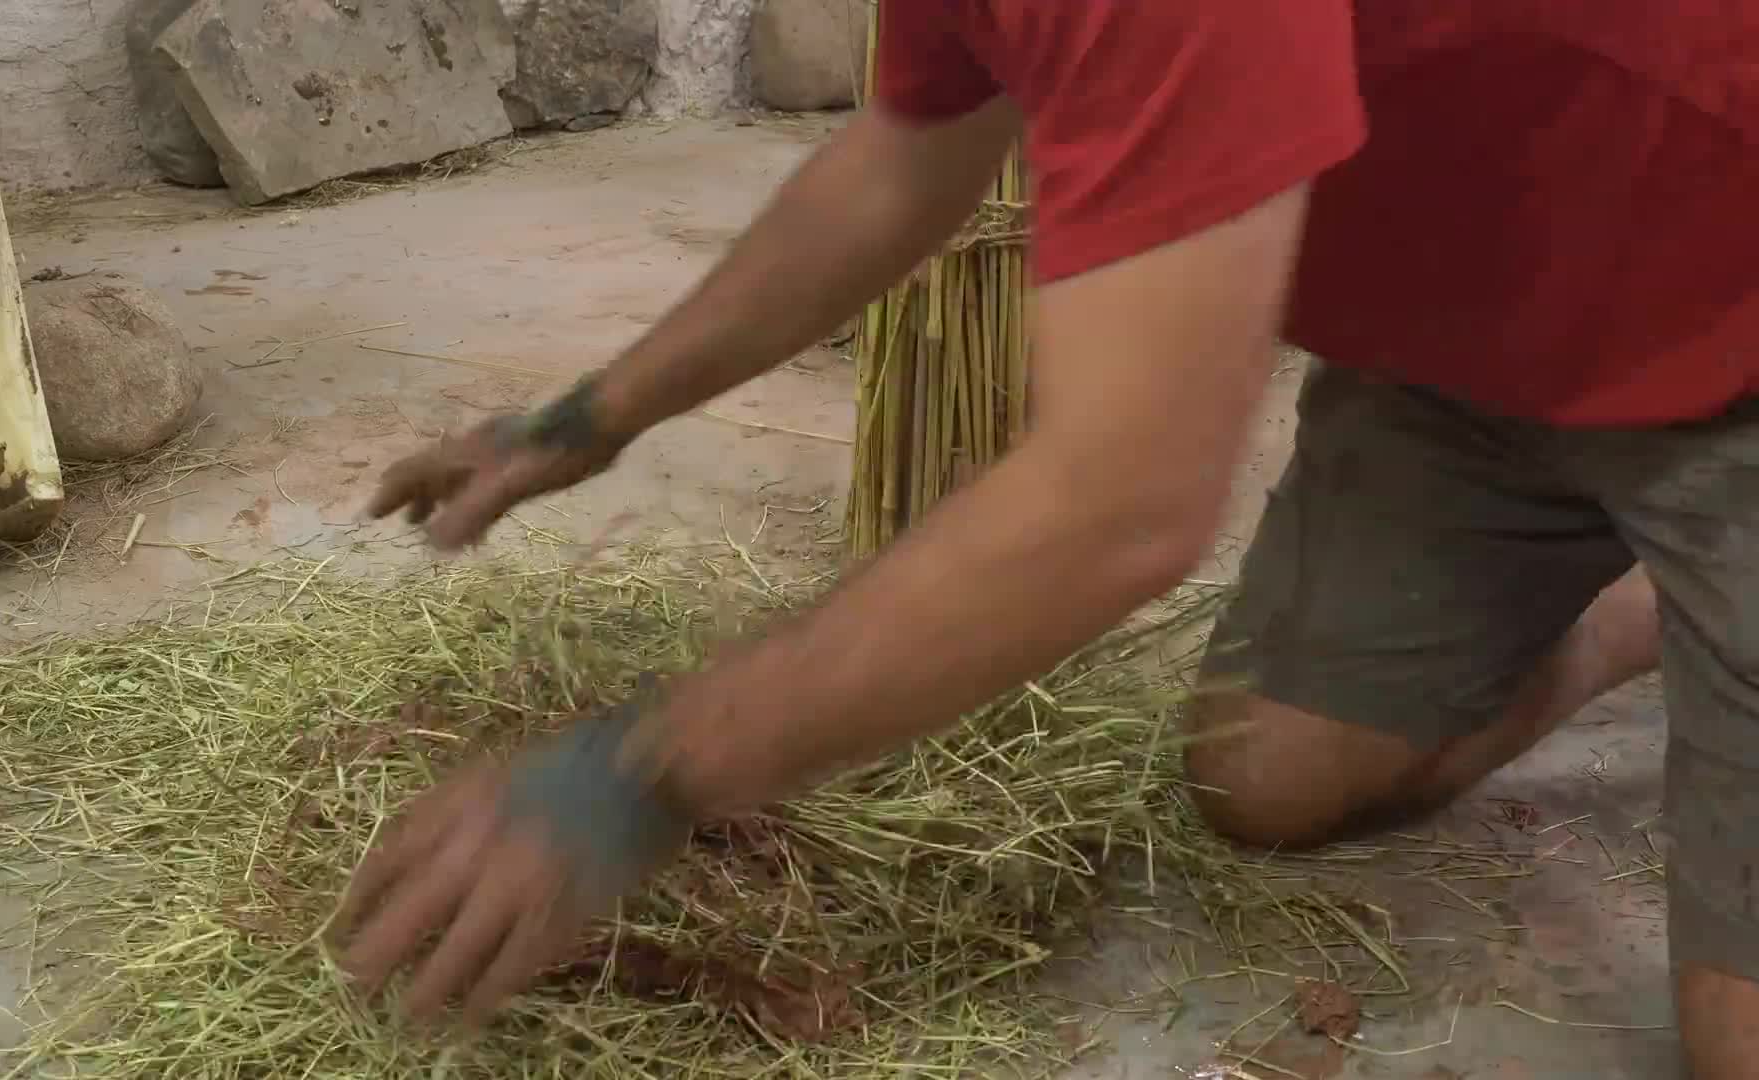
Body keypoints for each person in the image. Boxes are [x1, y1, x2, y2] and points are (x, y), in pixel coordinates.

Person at [328, 3, 1759, 1073]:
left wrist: (636, 773)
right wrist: (590, 419)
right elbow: (904, 160)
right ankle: (1649, 619)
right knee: (1268, 780)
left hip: (1733, 322)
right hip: (1476, 327)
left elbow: (1117, 508)